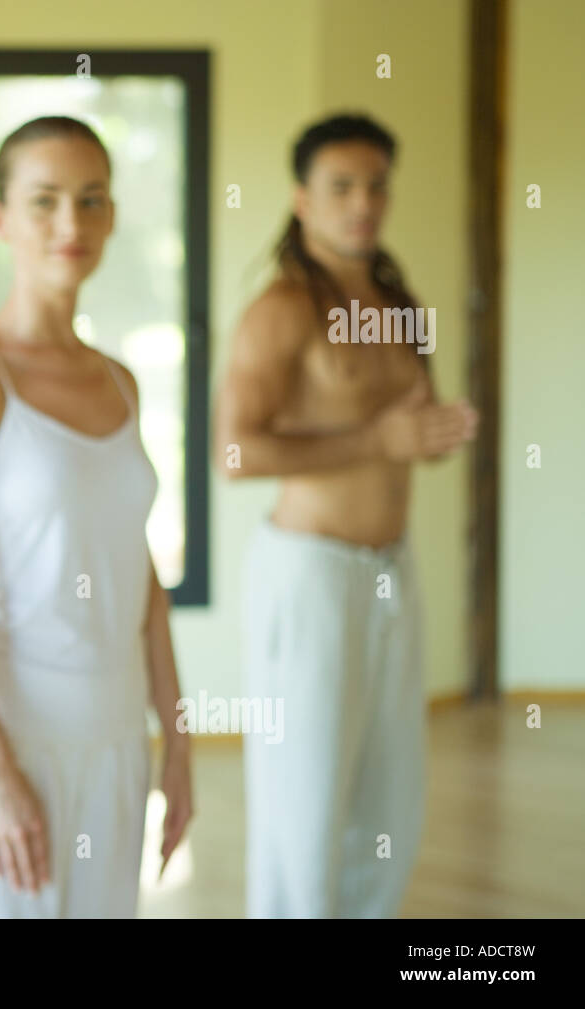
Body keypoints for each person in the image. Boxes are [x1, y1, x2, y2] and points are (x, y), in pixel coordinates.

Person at [0, 116, 193, 918]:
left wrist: (175, 739)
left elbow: (142, 578)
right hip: (9, 741)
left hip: (114, 741)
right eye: (44, 201)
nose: (71, 224)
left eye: (91, 199)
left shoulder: (122, 383)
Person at [214, 112, 478, 917]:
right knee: (306, 796)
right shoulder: (283, 306)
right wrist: (378, 436)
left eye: (376, 184)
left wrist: (424, 438)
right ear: (302, 197)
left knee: (390, 796)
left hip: (392, 570)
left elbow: (399, 429)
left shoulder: (394, 298)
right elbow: (235, 453)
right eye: (342, 186)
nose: (364, 201)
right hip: (313, 575)